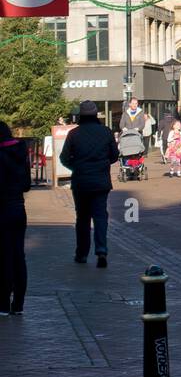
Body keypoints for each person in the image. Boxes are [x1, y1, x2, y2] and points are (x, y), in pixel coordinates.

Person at [60, 100, 120, 267]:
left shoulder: (74, 134)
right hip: (101, 181)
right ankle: (101, 251)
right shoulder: (106, 132)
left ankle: (82, 254)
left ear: (81, 115)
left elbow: (64, 158)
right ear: (95, 115)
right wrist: (103, 163)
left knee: (83, 218)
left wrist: (77, 167)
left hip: (81, 182)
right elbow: (115, 155)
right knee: (100, 216)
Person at [0, 121, 32, 315]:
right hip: (18, 209)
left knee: (3, 257)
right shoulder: (21, 151)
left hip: (1, 211)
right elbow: (26, 184)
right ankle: (18, 304)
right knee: (19, 256)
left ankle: (3, 303)